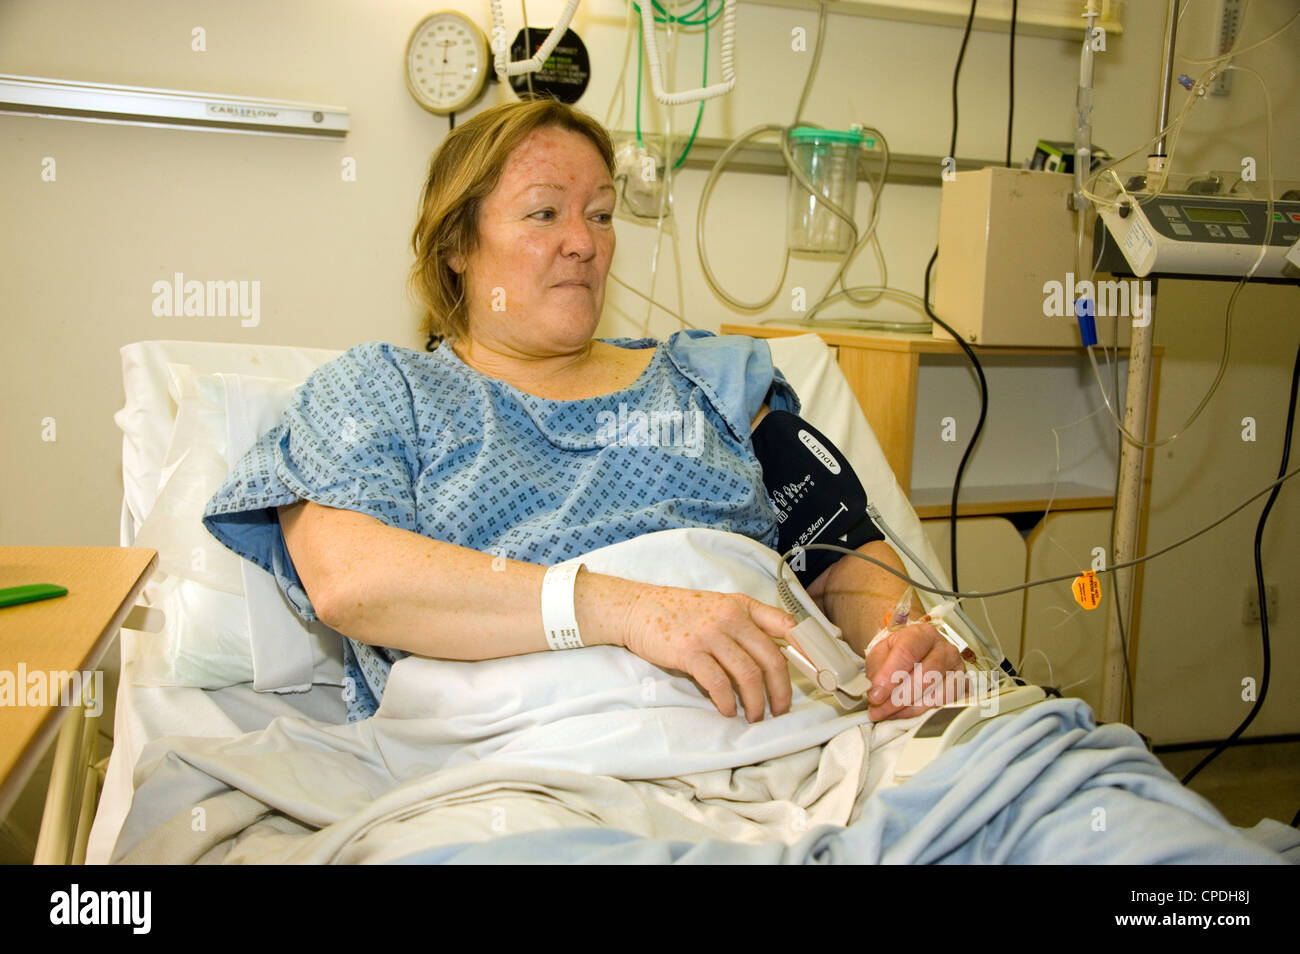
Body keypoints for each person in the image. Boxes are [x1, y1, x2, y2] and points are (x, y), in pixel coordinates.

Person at [202, 97, 963, 725]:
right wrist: (626, 611)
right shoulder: (381, 393)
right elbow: (351, 581)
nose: (583, 244)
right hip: (525, 763)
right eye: (543, 215)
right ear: (457, 244)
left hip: (782, 735)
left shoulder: (712, 380)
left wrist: (901, 639)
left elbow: (837, 552)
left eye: (599, 215)